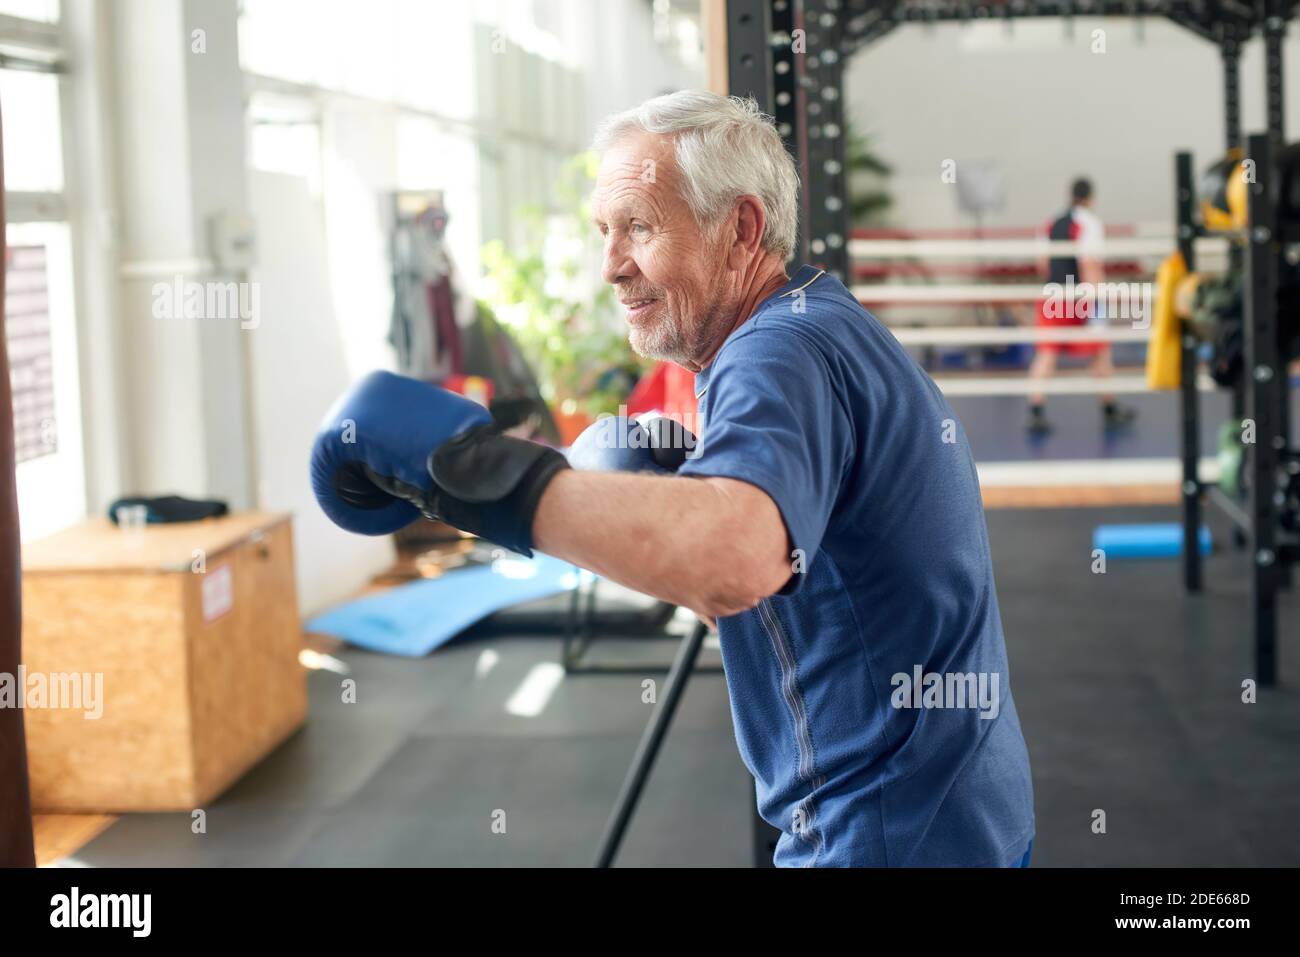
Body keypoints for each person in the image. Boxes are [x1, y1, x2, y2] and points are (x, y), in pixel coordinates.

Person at [316, 91, 1035, 867]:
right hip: (962, 812)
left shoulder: (773, 354)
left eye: (639, 227)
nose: (611, 265)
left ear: (742, 229)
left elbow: (733, 557)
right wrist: (684, 482)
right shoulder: (820, 317)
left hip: (887, 837)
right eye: (604, 231)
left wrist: (468, 474)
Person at [1026, 177, 1136, 434]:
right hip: (1078, 295)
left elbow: (1043, 263)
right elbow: (1090, 264)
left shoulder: (1049, 222)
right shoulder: (1089, 222)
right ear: (1091, 198)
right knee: (1100, 351)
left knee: (1047, 354)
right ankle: (1109, 408)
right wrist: (1097, 299)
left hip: (1053, 293)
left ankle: (1035, 411)